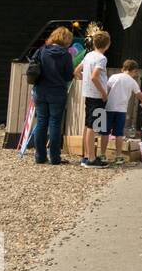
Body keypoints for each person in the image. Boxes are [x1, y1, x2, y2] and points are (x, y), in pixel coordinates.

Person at [33, 26, 75, 165]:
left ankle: (40, 157)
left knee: (41, 122)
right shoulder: (66, 55)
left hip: (40, 91)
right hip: (57, 92)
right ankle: (55, 158)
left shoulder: (42, 50)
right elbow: (69, 75)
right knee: (55, 124)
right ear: (67, 40)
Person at [103, 59, 142, 165]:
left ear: (123, 68)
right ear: (134, 71)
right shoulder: (132, 81)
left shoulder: (113, 77)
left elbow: (106, 90)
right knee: (119, 134)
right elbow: (140, 95)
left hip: (109, 108)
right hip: (121, 110)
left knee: (105, 132)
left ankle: (102, 155)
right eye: (135, 72)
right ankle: (118, 156)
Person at [76, 30, 112, 168]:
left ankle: (86, 155)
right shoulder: (102, 58)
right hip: (97, 95)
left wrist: (85, 82)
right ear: (107, 45)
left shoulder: (89, 55)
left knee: (88, 124)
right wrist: (103, 92)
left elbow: (77, 71)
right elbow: (95, 76)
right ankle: (91, 158)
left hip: (88, 94)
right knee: (93, 126)